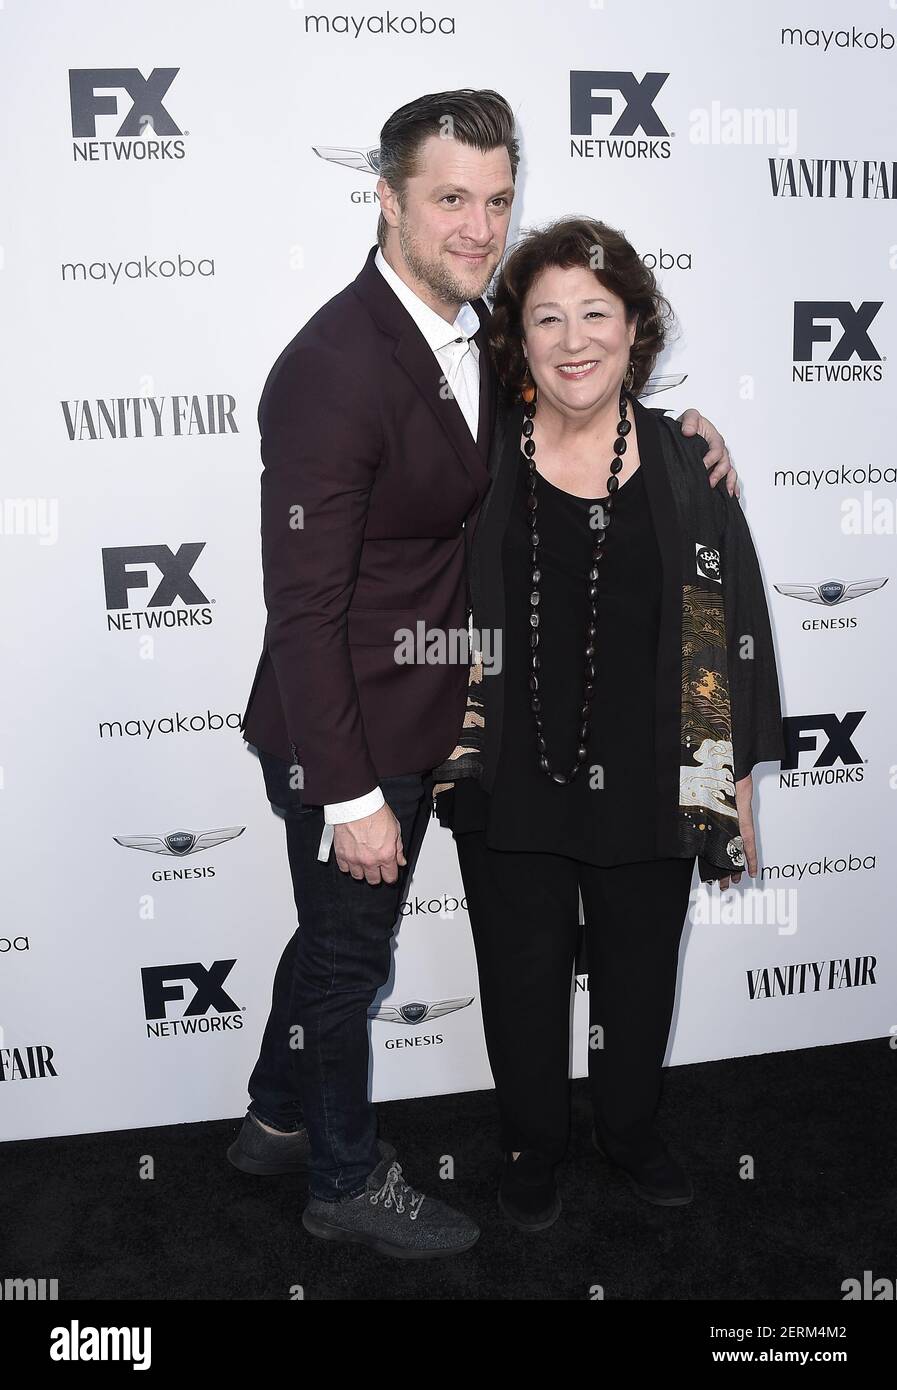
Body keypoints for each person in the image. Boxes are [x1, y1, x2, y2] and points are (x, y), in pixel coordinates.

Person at [232, 90, 737, 1259]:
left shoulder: (460, 340)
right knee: (352, 957)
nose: (478, 225)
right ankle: (344, 1180)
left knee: (326, 942)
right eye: (450, 197)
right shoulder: (334, 365)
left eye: (498, 199)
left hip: (420, 710)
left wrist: (682, 430)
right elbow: (302, 604)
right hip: (344, 727)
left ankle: (272, 1117)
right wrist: (350, 792)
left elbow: (578, 394)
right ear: (388, 200)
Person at [433, 216, 784, 1231]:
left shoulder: (686, 465)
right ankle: (530, 1141)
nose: (573, 337)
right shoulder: (478, 454)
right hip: (510, 772)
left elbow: (729, 630)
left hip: (650, 778)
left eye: (596, 313)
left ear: (636, 331)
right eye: (547, 317)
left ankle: (631, 1133)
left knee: (639, 976)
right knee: (521, 975)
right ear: (519, 340)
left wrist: (734, 790)